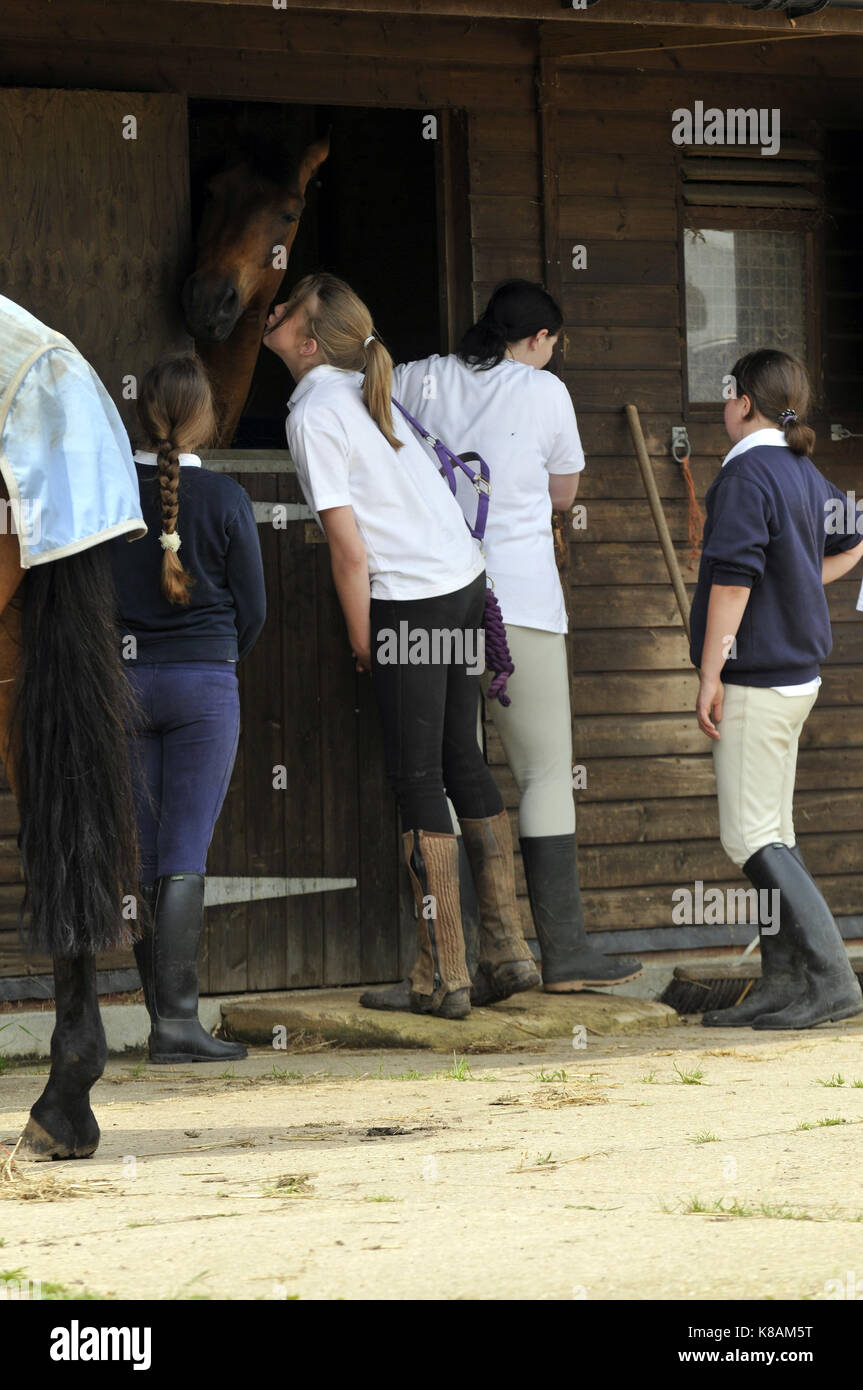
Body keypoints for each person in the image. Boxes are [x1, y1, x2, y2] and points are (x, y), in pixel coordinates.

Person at [263, 272, 540, 1019]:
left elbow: (349, 552)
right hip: (460, 584)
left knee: (418, 776)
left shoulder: (316, 413)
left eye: (285, 309)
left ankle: (442, 974)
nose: (274, 311)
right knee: (461, 758)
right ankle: (507, 950)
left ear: (308, 342)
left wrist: (363, 638)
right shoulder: (360, 391)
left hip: (411, 600)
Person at [391, 281, 642, 994]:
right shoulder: (543, 392)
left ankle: (455, 964)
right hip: (518, 600)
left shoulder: (418, 377)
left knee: (441, 771)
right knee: (540, 772)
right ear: (535, 340)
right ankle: (560, 953)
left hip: (433, 597)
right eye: (552, 342)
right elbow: (564, 494)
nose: (552, 354)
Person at [691, 348, 863, 1029]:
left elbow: (732, 582)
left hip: (756, 680)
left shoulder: (745, 476)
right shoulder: (800, 468)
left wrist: (709, 673)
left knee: (749, 838)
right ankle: (781, 980)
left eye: (725, 393)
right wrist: (799, 578)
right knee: (775, 833)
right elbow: (852, 535)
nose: (721, 404)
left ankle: (831, 980)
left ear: (742, 403)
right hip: (795, 678)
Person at [108, 354, 267, 1062]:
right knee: (183, 850)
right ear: (208, 418)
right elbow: (254, 610)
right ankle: (177, 1026)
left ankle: (159, 1023)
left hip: (123, 684)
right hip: (203, 686)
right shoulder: (228, 500)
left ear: (143, 414)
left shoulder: (112, 492)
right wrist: (219, 654)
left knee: (142, 852)